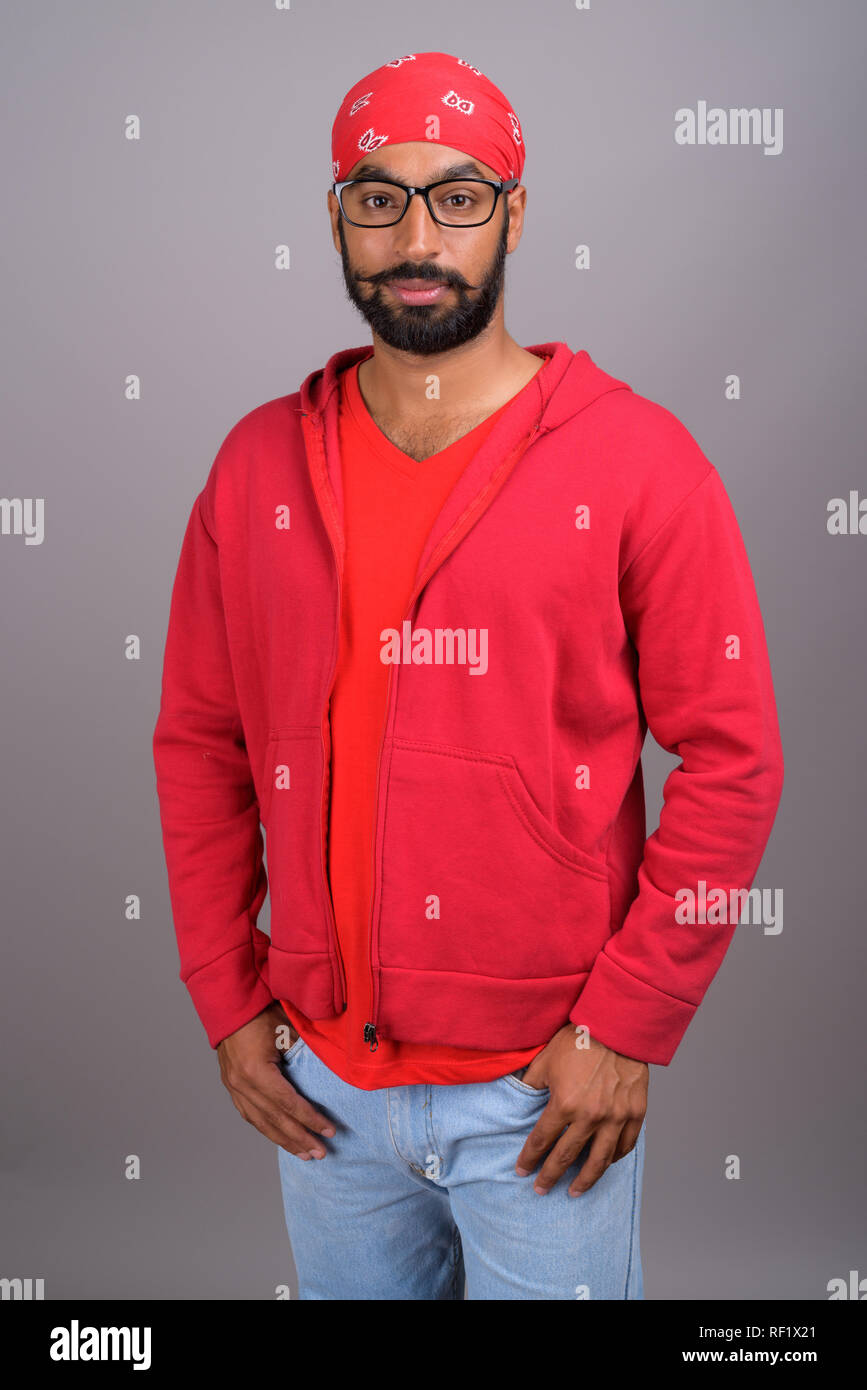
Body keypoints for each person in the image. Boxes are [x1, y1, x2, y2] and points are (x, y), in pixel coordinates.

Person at [152, 50, 784, 1300]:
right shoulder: (255, 471)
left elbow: (735, 756)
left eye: (459, 195)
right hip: (324, 1096)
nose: (417, 236)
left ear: (515, 212)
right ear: (335, 216)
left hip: (544, 1089)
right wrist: (228, 1001)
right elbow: (198, 742)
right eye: (379, 197)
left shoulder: (641, 462)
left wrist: (629, 1024)